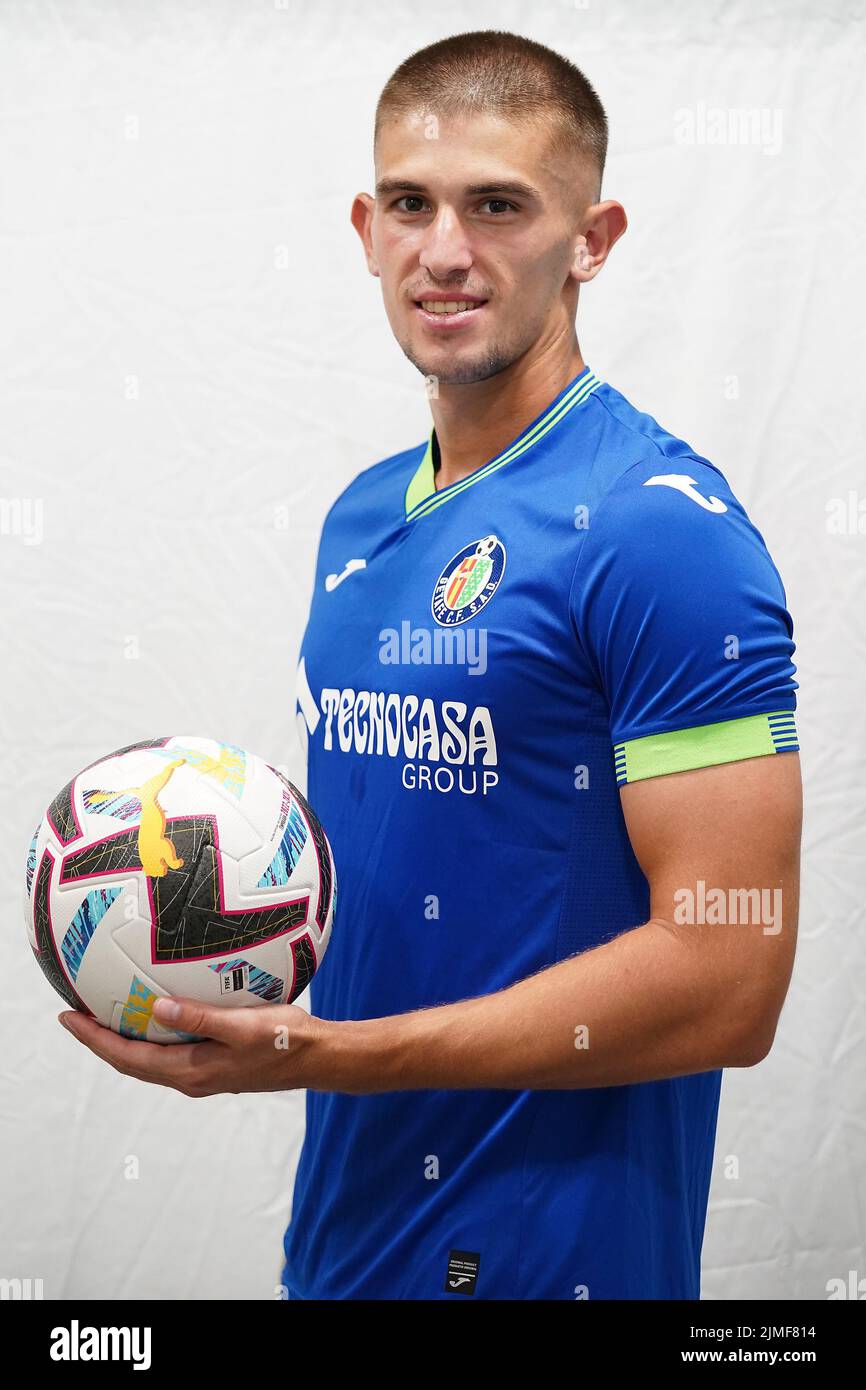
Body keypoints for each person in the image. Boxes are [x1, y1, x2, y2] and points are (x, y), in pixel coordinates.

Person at [61, 29, 802, 1301]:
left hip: (551, 1264)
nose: (443, 252)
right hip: (345, 1246)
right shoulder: (360, 520)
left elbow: (729, 976)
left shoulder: (659, 529)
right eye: (410, 203)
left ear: (594, 237)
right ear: (364, 224)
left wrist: (337, 1052)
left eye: (497, 206)